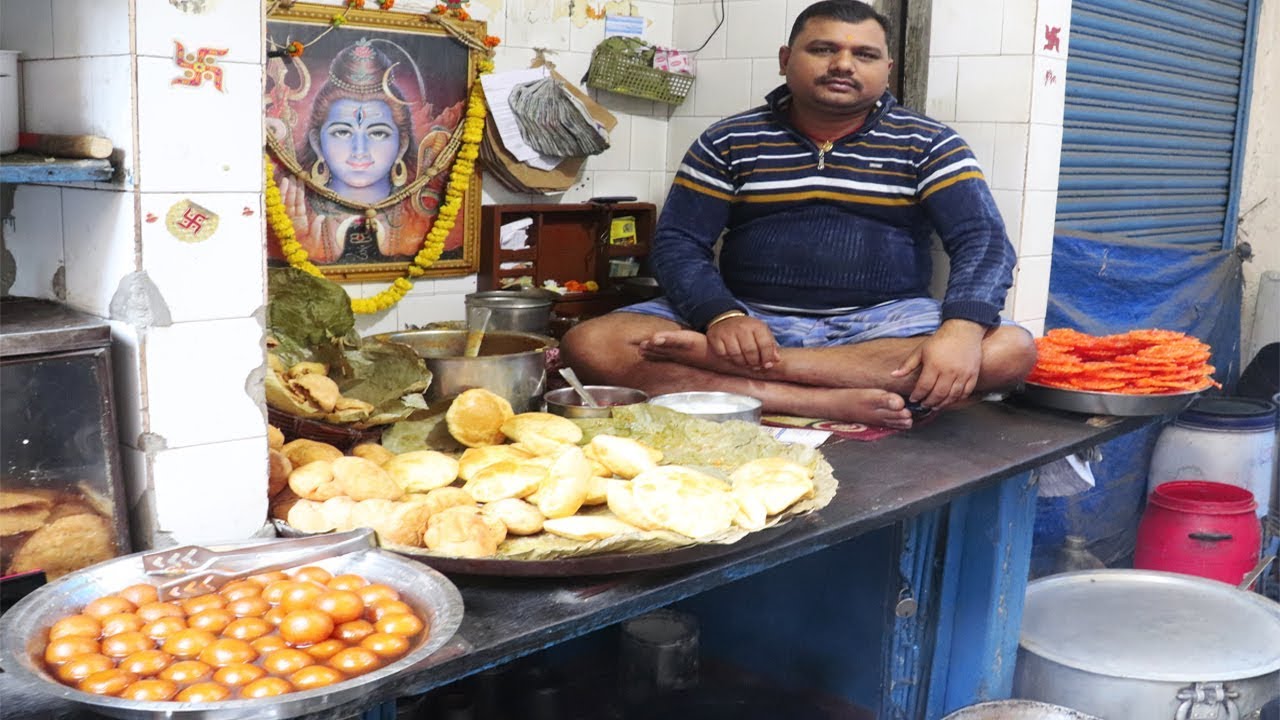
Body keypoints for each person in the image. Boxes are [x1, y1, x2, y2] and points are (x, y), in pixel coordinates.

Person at [560, 0, 1037, 430]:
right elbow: (679, 242)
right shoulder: (729, 140)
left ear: (887, 70)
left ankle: (757, 377)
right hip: (750, 316)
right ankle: (818, 400)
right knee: (591, 344)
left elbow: (983, 241)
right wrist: (721, 315)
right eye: (823, 49)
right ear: (786, 58)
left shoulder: (928, 142)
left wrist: (961, 329)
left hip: (884, 324)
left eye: (864, 55)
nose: (843, 65)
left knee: (1008, 351)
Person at [275, 39, 438, 264]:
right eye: (342, 132)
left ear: (402, 144)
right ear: (316, 142)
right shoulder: (296, 213)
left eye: (378, 133)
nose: (359, 151)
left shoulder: (420, 215)